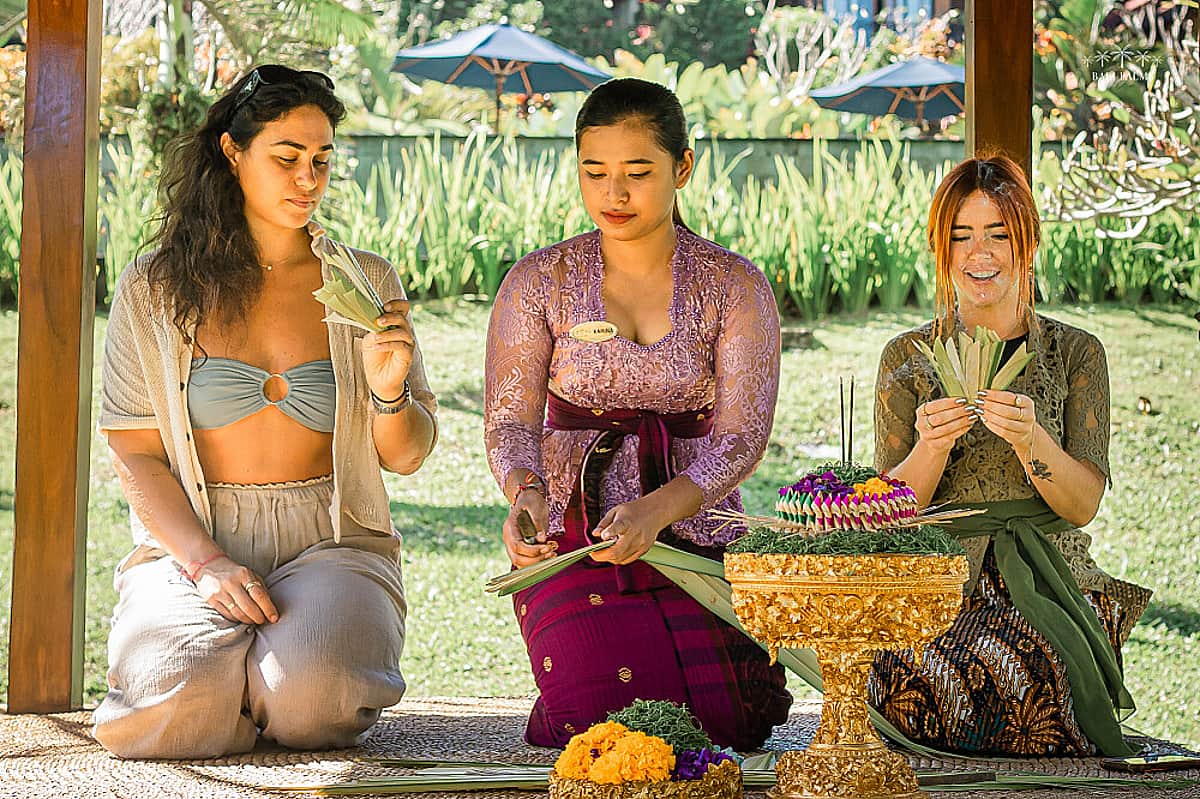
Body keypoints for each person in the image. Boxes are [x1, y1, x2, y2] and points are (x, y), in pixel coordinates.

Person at [92, 65, 438, 759]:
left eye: (321, 160)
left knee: (317, 700)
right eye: (286, 158)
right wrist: (207, 562)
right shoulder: (154, 286)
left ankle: (266, 687)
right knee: (169, 705)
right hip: (192, 540)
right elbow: (134, 451)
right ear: (232, 151)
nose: (307, 178)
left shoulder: (365, 282)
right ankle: (232, 683)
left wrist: (388, 389)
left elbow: (406, 453)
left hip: (333, 539)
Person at [483, 77, 792, 750]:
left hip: (695, 529)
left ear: (682, 166)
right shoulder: (539, 280)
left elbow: (741, 439)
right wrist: (527, 498)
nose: (612, 194)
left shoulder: (735, 285)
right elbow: (509, 422)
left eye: (637, 172)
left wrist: (657, 510)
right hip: (573, 534)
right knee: (601, 723)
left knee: (726, 726)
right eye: (594, 172)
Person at [869, 154, 1150, 757]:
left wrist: (1031, 441)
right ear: (940, 248)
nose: (981, 254)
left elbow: (1081, 506)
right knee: (912, 681)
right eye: (961, 236)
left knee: (1020, 669)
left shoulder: (1075, 353)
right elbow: (888, 514)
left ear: (1028, 241)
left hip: (1050, 566)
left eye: (999, 234)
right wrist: (931, 445)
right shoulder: (907, 357)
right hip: (944, 569)